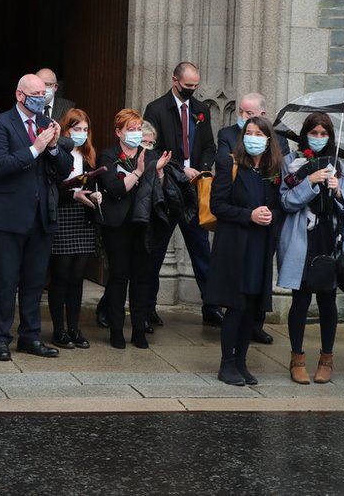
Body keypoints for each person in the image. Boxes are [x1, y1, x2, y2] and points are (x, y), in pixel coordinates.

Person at [0, 74, 73, 361]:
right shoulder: (1, 124)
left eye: (44, 92)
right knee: (7, 281)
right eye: (36, 92)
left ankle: (30, 336)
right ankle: (1, 338)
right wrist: (35, 148)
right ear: (20, 95)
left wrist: (54, 147)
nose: (42, 96)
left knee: (34, 281)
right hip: (8, 217)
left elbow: (63, 170)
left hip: (41, 215)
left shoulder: (48, 125)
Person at [277, 113, 344, 385]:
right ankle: (297, 358)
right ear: (306, 134)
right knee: (300, 300)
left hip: (329, 237)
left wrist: (337, 191)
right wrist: (310, 182)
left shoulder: (338, 165)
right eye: (315, 132)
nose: (319, 138)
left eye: (324, 134)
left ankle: (326, 359)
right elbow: (287, 202)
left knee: (327, 300)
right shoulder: (292, 162)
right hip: (304, 238)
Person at [143, 61, 221, 328]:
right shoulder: (156, 109)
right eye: (188, 85)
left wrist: (203, 168)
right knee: (156, 252)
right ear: (174, 80)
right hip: (167, 189)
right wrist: (178, 171)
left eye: (196, 86)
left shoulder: (201, 110)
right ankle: (148, 307)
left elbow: (210, 145)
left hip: (193, 190)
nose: (193, 89)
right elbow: (151, 149)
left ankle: (211, 307)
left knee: (201, 251)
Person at [208, 116, 284, 386]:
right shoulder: (229, 164)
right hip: (235, 244)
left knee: (252, 308)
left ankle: (241, 361)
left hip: (260, 246)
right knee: (236, 306)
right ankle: (226, 363)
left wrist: (270, 215)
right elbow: (218, 205)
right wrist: (248, 215)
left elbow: (280, 206)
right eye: (248, 133)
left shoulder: (272, 169)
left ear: (268, 140)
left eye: (258, 133)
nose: (253, 137)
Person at [97, 113, 176, 349]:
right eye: (131, 128)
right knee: (119, 277)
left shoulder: (150, 155)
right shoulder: (108, 155)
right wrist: (139, 172)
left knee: (142, 279)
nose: (136, 133)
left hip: (144, 225)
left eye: (139, 128)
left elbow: (161, 192)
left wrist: (160, 172)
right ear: (119, 132)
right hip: (118, 226)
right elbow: (115, 189)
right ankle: (116, 330)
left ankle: (140, 330)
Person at [48, 108, 101, 349]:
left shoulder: (89, 154)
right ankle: (59, 330)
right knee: (61, 275)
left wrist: (97, 194)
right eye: (76, 129)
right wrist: (73, 194)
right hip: (63, 214)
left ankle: (74, 328)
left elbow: (95, 181)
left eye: (85, 130)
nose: (81, 134)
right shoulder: (58, 151)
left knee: (78, 277)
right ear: (65, 130)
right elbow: (52, 186)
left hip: (83, 217)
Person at [216, 92, 291, 161]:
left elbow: (284, 167)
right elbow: (223, 165)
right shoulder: (226, 134)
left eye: (249, 113)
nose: (243, 116)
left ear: (262, 114)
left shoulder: (278, 137)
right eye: (241, 111)